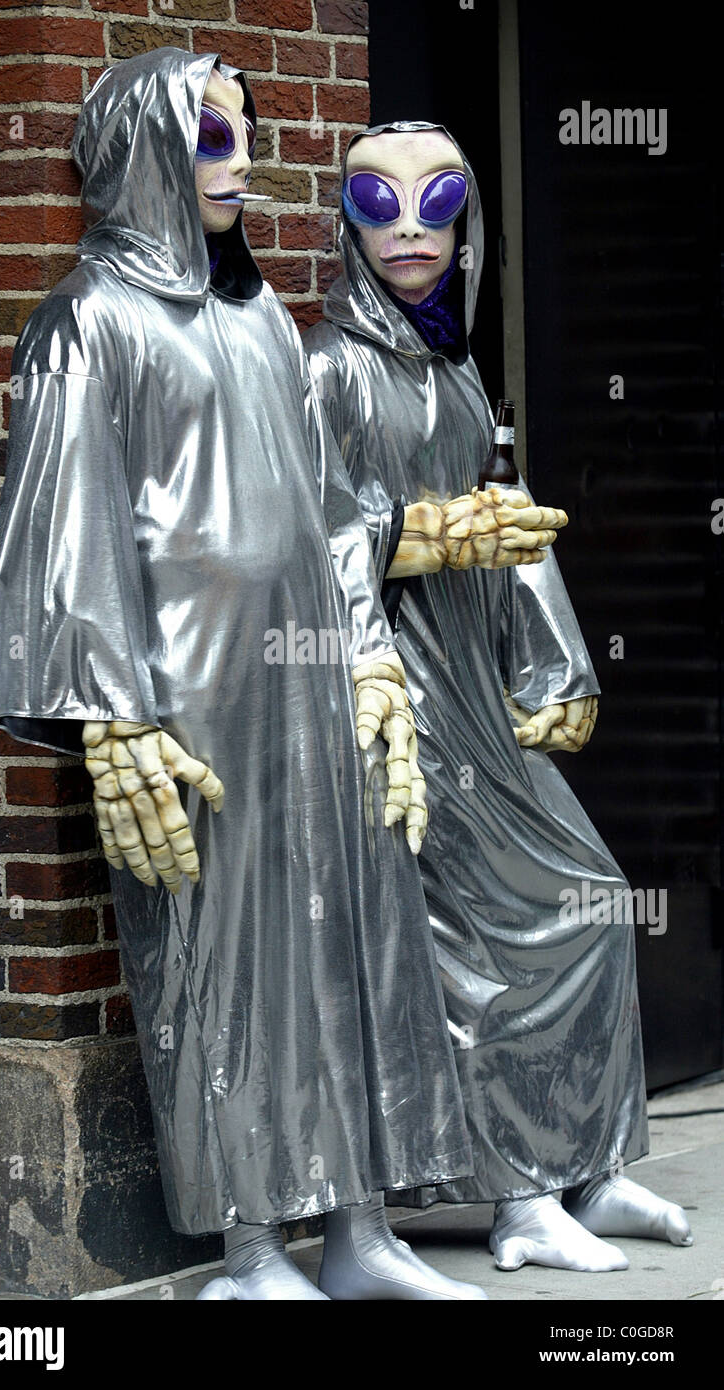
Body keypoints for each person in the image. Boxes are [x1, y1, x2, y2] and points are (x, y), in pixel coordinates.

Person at [0, 56, 487, 1301]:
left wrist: (368, 650)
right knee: (221, 966)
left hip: (309, 683)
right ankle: (252, 1248)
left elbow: (329, 508)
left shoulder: (261, 317)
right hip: (192, 705)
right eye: (208, 133)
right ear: (143, 146)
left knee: (355, 943)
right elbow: (67, 531)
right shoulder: (87, 323)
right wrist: (110, 713)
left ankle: (360, 1230)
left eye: (244, 130)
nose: (240, 157)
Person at [305, 120, 692, 1273]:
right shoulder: (324, 367)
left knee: (589, 894)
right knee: (485, 936)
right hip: (393, 690)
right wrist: (411, 542)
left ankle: (591, 1164)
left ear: (469, 218)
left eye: (438, 201)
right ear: (347, 219)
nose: (412, 228)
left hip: (473, 678)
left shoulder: (455, 365)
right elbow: (303, 537)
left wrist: (558, 662)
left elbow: (506, 521)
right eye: (379, 201)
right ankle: (517, 1199)